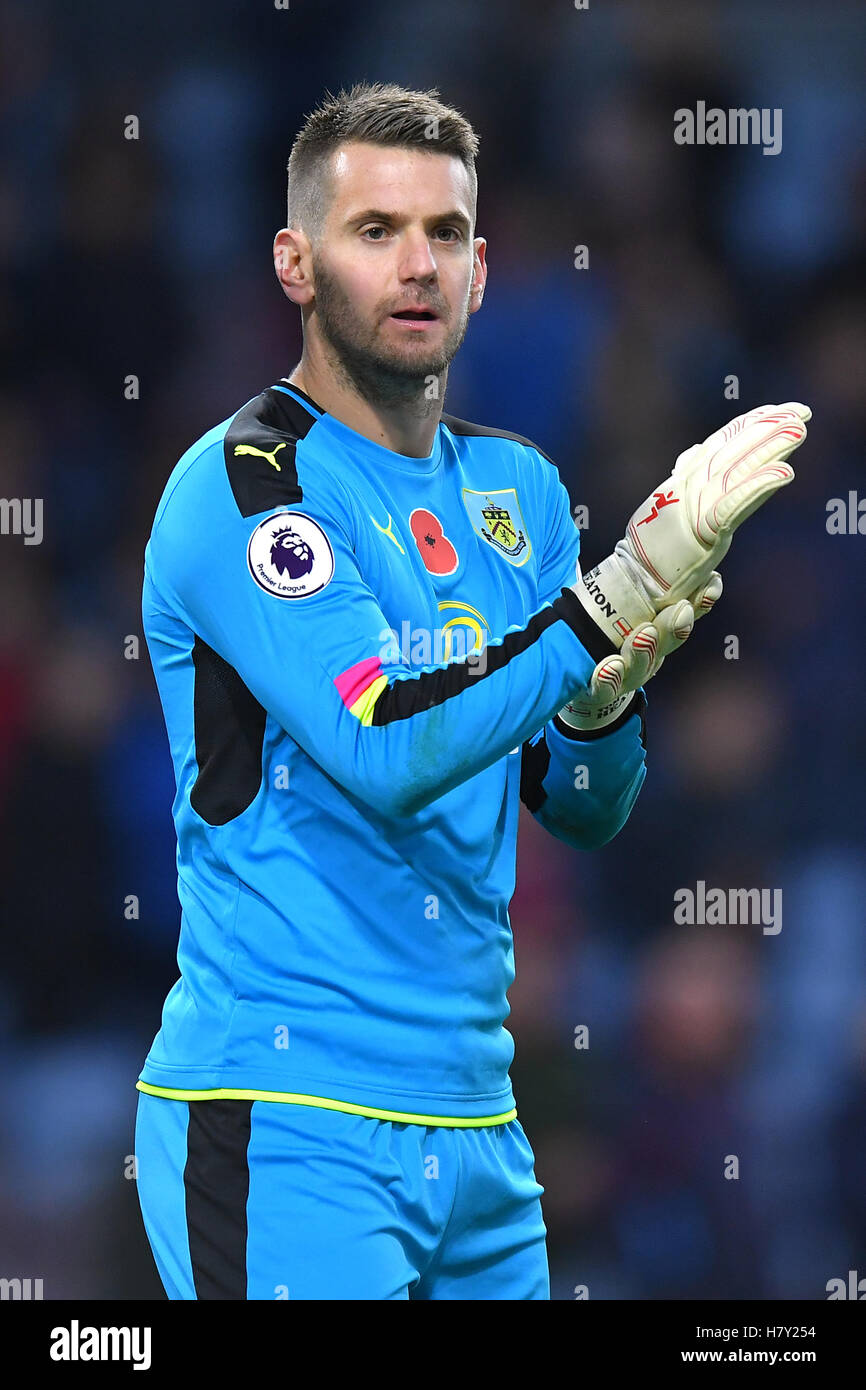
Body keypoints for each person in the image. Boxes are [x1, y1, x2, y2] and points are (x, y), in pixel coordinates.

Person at [133, 80, 808, 1300]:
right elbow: (383, 742)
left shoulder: (518, 490)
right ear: (295, 262)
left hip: (479, 1128)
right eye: (373, 230)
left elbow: (578, 803)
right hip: (285, 1113)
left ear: (482, 268)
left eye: (443, 234)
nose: (415, 265)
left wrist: (604, 693)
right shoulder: (246, 485)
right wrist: (599, 609)